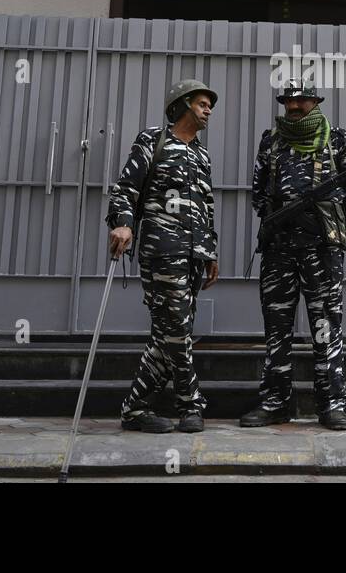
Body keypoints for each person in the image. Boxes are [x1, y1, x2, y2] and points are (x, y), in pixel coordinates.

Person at [240, 82, 346, 430]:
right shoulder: (271, 141)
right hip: (279, 252)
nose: (295, 105)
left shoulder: (338, 139)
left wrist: (324, 223)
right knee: (276, 331)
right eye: (290, 100)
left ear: (315, 102)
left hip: (321, 253)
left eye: (302, 100)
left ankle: (332, 405)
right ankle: (274, 403)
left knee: (326, 328)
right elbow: (258, 192)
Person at [108, 79, 219, 433]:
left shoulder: (202, 155)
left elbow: (206, 206)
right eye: (202, 103)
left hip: (194, 256)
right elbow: (125, 189)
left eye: (209, 105)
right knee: (178, 331)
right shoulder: (152, 141)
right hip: (161, 251)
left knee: (167, 335)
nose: (208, 110)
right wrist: (123, 224)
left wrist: (210, 250)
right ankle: (191, 405)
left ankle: (135, 410)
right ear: (183, 104)